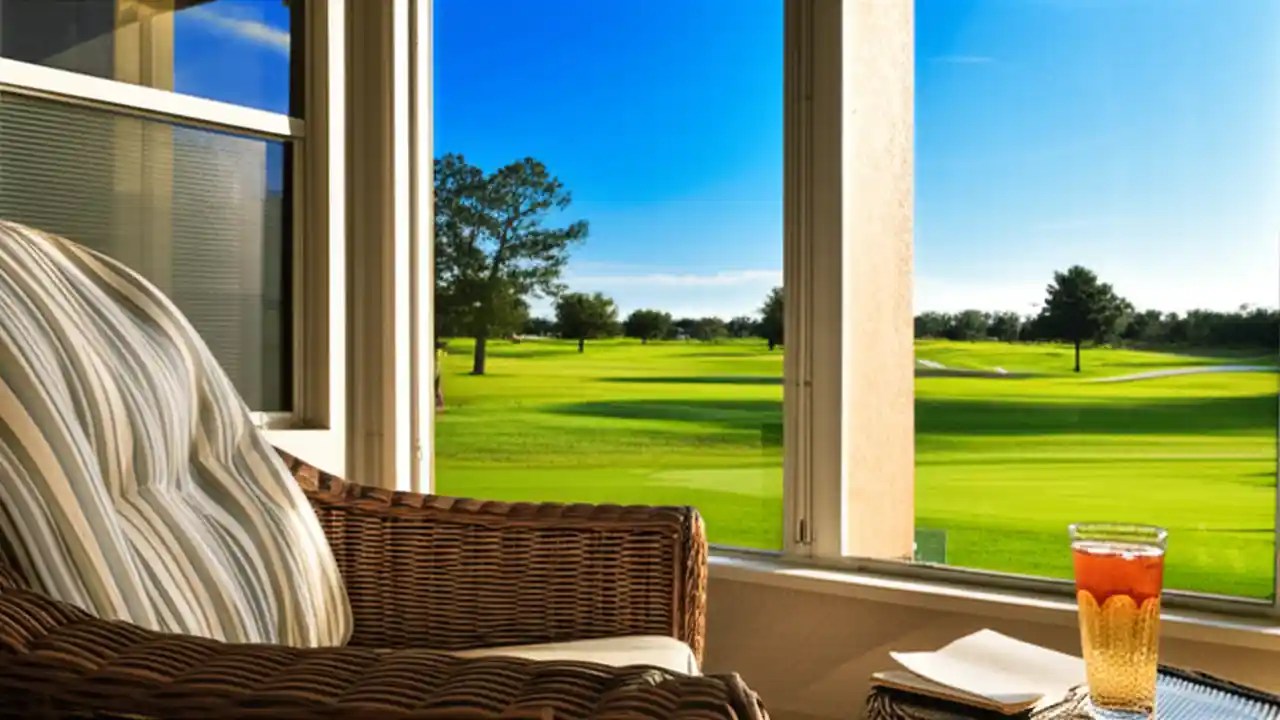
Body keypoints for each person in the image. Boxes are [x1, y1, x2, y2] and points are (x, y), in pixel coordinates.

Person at [434, 341, 447, 410]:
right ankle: (439, 404)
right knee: (436, 386)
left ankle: (439, 404)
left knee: (436, 386)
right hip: (435, 367)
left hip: (435, 367)